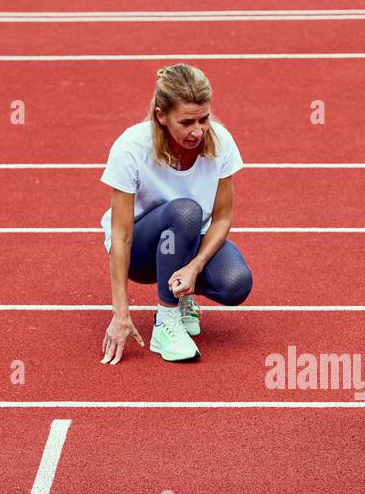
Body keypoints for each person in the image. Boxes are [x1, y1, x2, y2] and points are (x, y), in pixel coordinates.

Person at [100, 63, 253, 364]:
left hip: (188, 240)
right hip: (142, 253)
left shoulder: (221, 141)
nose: (198, 131)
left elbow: (222, 218)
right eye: (186, 122)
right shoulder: (131, 148)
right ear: (161, 116)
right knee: (185, 212)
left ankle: (182, 299)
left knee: (235, 283)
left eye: (204, 119)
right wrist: (121, 313)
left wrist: (194, 267)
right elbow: (121, 236)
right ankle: (165, 322)